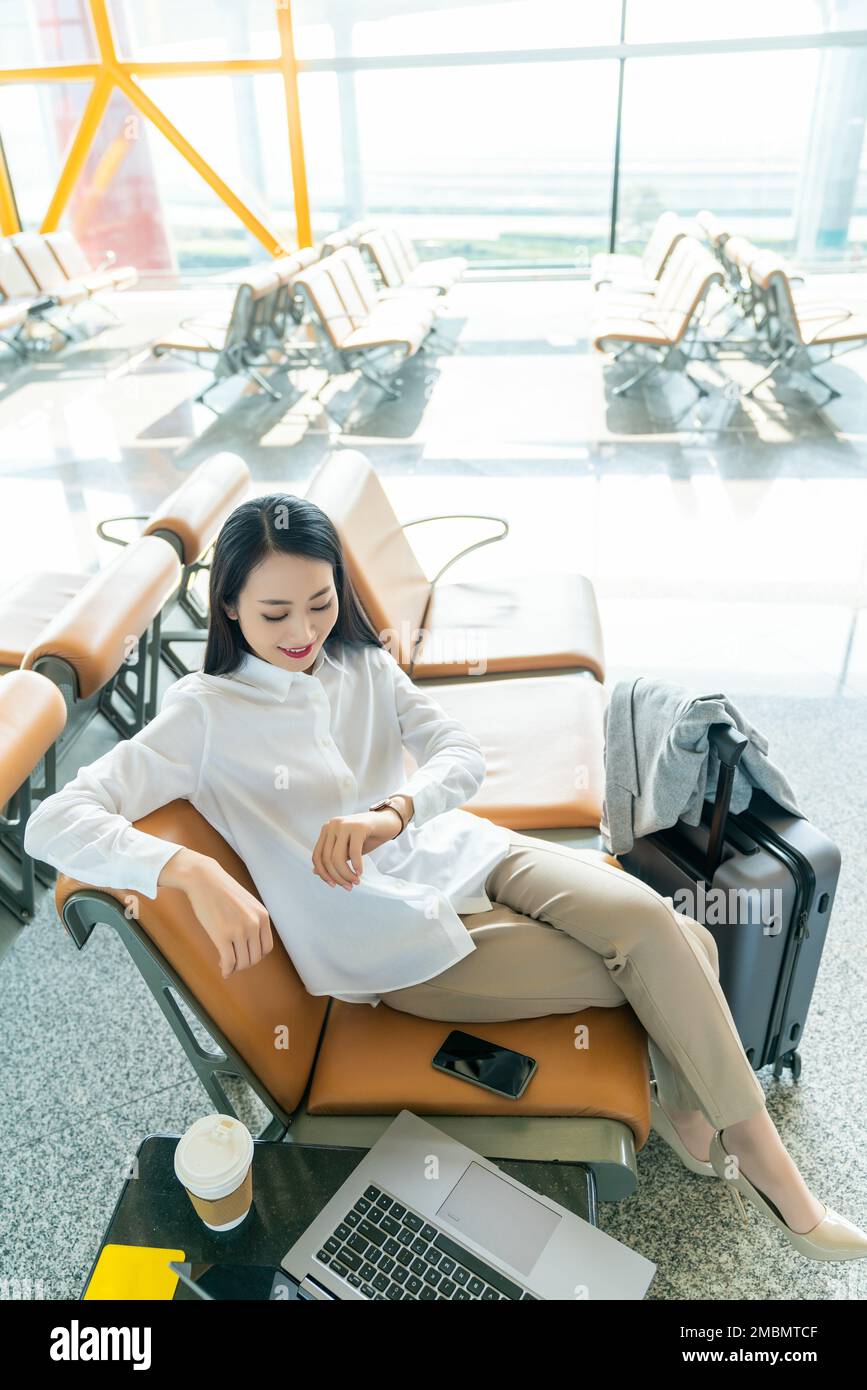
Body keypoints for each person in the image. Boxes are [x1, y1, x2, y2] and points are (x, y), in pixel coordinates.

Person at [25, 492, 867, 1265]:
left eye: (320, 604)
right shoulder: (203, 716)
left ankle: (698, 1117)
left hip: (466, 850)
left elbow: (461, 755)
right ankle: (761, 1163)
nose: (301, 630)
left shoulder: (360, 663)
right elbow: (52, 821)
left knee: (667, 929)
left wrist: (392, 811)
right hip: (396, 944)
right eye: (274, 611)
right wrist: (188, 868)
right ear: (230, 605)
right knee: (666, 951)